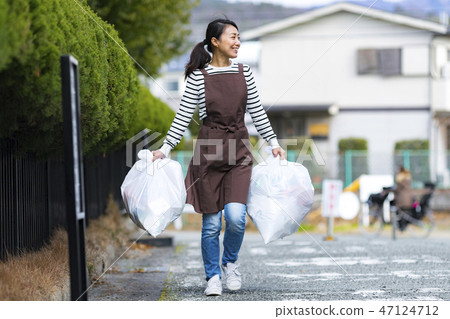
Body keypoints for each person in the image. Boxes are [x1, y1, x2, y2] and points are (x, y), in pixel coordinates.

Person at [152, 18, 285, 296]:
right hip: (209, 154)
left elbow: (257, 111)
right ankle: (212, 276)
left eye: (239, 37)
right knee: (211, 223)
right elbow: (183, 117)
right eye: (232, 37)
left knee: (236, 217)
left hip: (238, 150)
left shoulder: (244, 72)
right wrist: (165, 148)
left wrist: (272, 142)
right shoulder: (198, 77)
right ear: (215, 41)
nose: (237, 42)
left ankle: (230, 264)